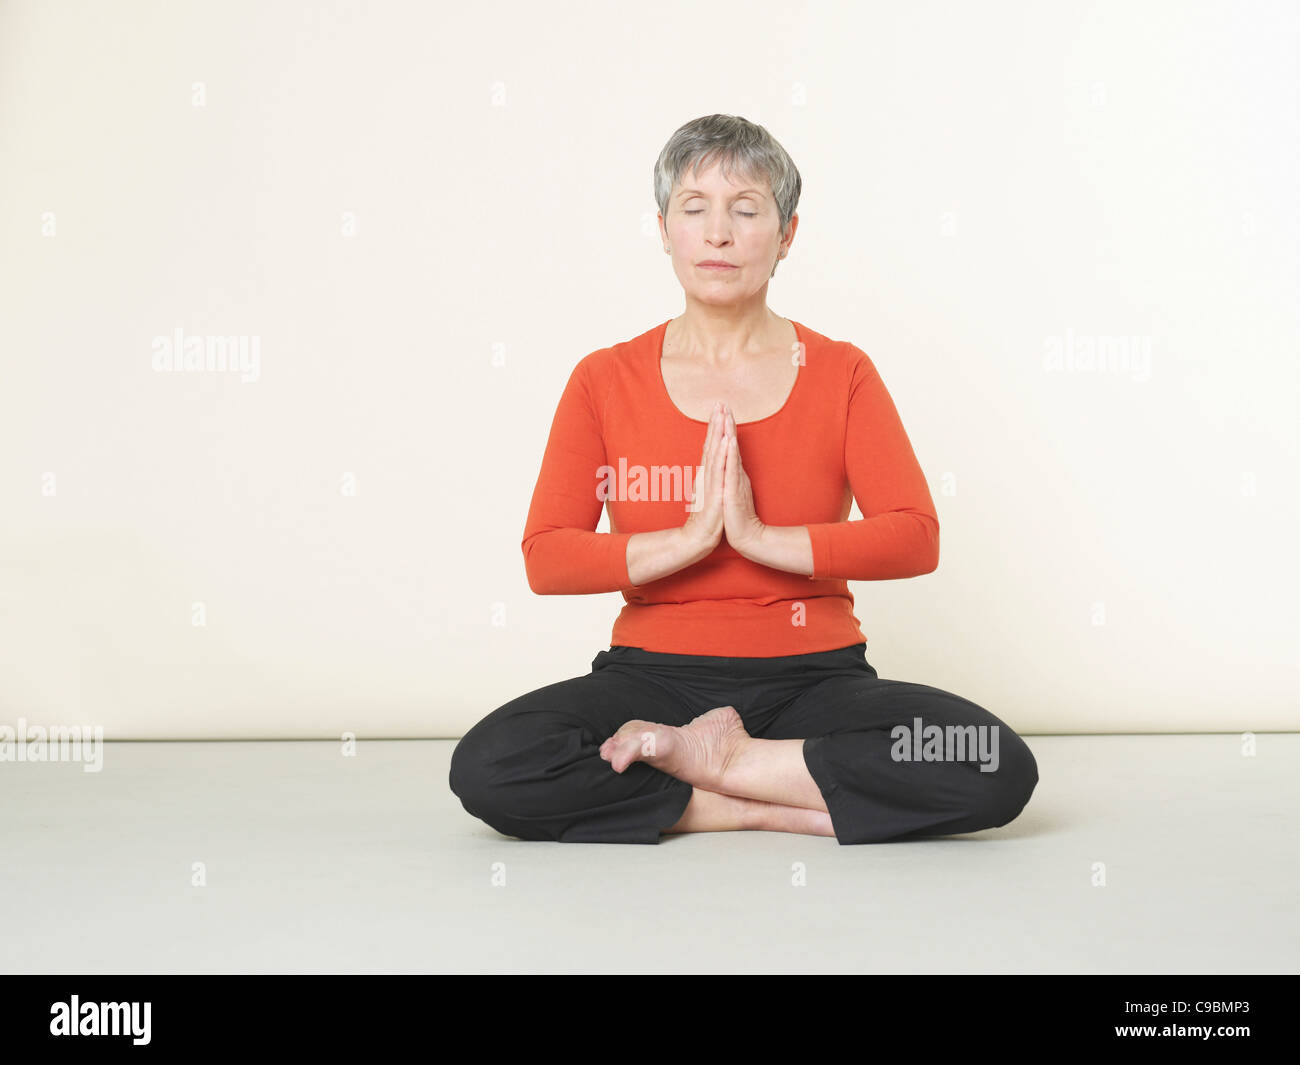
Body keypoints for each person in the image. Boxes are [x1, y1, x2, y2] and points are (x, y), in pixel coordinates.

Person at [449, 114, 1039, 844]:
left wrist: (760, 538)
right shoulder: (604, 378)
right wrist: (689, 539)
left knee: (989, 759)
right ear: (665, 231)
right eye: (694, 209)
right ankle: (753, 799)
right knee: (490, 763)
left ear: (787, 234)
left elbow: (915, 538)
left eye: (746, 209)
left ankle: (725, 764)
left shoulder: (841, 371)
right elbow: (547, 554)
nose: (718, 233)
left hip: (814, 678)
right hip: (652, 679)